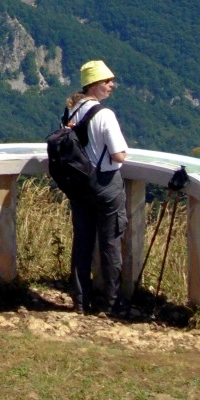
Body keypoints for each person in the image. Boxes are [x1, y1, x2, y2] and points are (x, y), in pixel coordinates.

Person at [60, 60, 130, 317]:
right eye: (107, 82)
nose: (112, 85)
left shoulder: (71, 111)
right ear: (94, 85)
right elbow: (119, 155)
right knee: (110, 242)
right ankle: (110, 304)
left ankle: (80, 301)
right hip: (105, 184)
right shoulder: (104, 115)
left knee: (82, 241)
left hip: (79, 184)